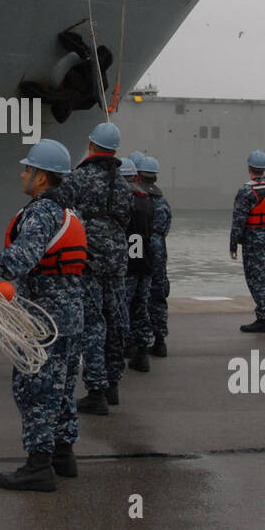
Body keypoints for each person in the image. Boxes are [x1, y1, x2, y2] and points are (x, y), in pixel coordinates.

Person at [0, 138, 87, 490]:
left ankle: (38, 467)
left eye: (28, 169)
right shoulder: (69, 213)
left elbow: (24, 256)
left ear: (41, 178)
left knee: (35, 388)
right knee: (63, 388)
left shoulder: (40, 214)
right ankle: (63, 455)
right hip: (70, 316)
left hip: (43, 320)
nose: (23, 174)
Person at [56, 122, 132, 415]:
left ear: (91, 145)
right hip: (117, 256)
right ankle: (113, 385)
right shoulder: (124, 185)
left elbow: (61, 211)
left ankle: (96, 390)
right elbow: (126, 219)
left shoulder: (78, 178)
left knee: (92, 322)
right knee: (116, 318)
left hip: (88, 256)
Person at [230, 150, 265, 333]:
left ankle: (263, 318)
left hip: (254, 241)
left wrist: (234, 244)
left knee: (257, 278)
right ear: (264, 168)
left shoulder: (246, 190)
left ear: (249, 168)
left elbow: (239, 220)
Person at [132, 155, 172, 357]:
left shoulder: (138, 199)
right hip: (160, 249)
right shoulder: (163, 200)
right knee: (158, 295)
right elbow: (166, 228)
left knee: (140, 295)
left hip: (142, 247)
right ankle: (160, 340)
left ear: (138, 175)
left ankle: (139, 341)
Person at [123, 156, 156, 371]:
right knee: (141, 307)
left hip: (127, 265)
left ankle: (123, 348)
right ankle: (142, 351)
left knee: (121, 308)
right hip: (145, 260)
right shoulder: (147, 199)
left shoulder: (121, 200)